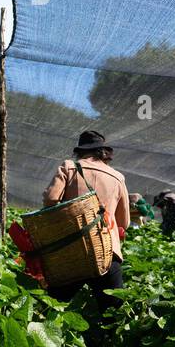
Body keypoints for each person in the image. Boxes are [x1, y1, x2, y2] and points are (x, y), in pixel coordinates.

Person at [42, 130, 130, 306]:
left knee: (52, 305)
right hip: (106, 250)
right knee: (113, 310)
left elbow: (51, 199)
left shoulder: (69, 166)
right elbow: (124, 222)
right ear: (102, 152)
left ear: (80, 150)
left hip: (72, 249)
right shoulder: (118, 177)